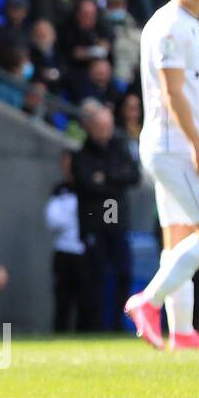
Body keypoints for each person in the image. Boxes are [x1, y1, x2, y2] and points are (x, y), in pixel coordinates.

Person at [123, 0, 199, 350]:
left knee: (178, 238)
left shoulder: (188, 24)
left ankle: (181, 331)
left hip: (170, 145)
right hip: (175, 147)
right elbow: (171, 92)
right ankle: (146, 302)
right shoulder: (170, 25)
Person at [72, 102, 140, 329]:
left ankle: (118, 325)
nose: (105, 132)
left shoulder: (119, 148)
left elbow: (133, 176)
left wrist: (106, 177)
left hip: (118, 224)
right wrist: (114, 180)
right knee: (95, 278)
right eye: (101, 127)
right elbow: (88, 184)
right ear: (91, 127)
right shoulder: (81, 154)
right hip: (94, 224)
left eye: (108, 127)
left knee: (124, 273)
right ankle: (96, 327)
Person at [45, 152, 86, 332]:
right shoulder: (60, 189)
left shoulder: (90, 188)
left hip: (86, 250)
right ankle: (59, 333)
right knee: (62, 299)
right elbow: (53, 220)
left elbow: (107, 214)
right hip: (64, 250)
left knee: (87, 300)